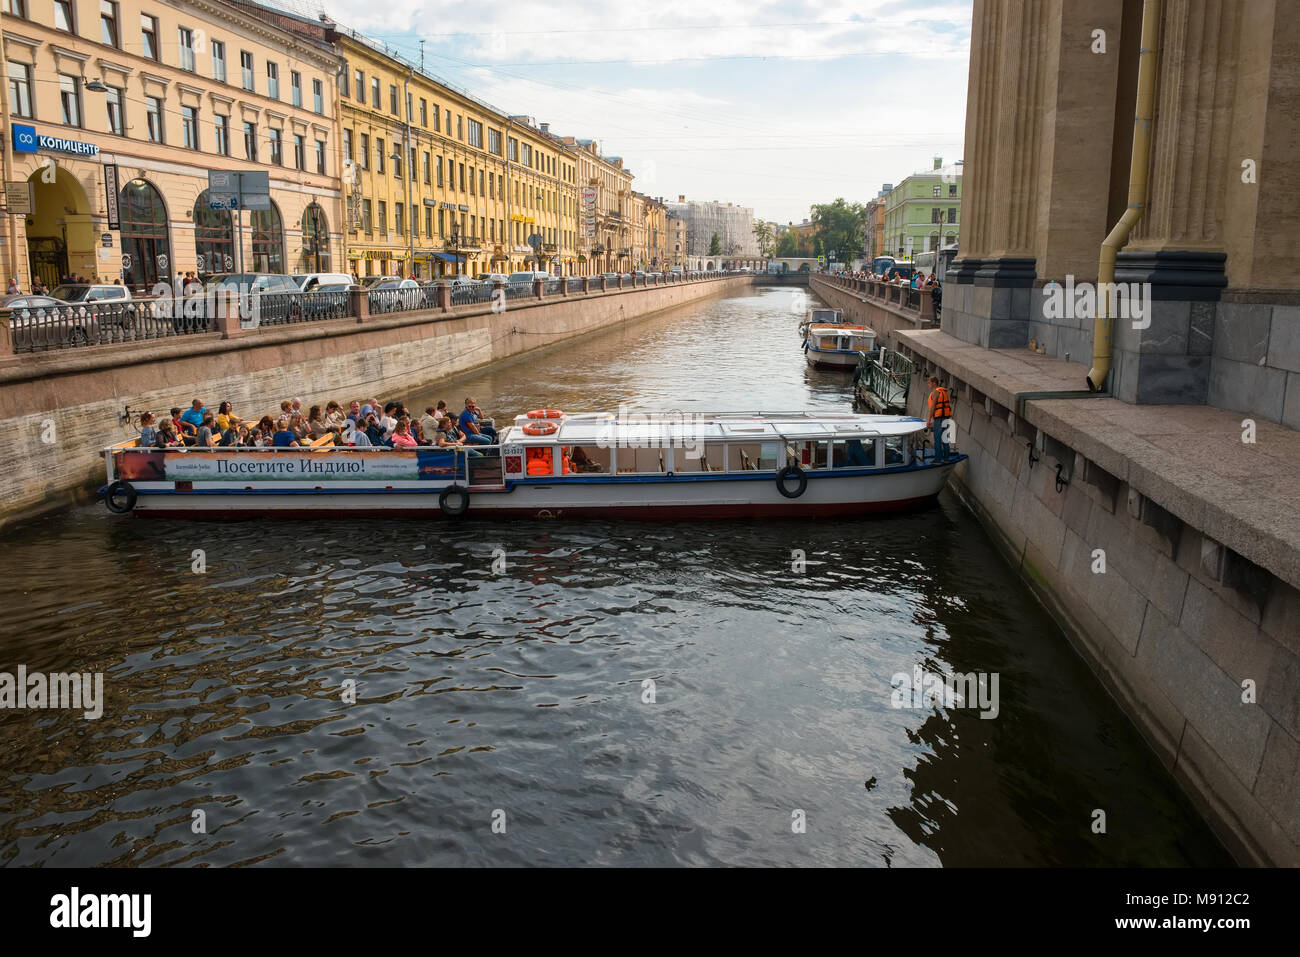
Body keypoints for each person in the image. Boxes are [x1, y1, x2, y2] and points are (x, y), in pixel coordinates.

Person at [926, 375, 953, 463]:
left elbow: (932, 407)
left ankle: (937, 459)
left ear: (934, 383)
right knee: (945, 438)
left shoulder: (935, 392)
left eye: (929, 383)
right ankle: (946, 459)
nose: (928, 384)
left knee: (937, 439)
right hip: (946, 417)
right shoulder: (943, 391)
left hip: (939, 418)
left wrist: (929, 420)